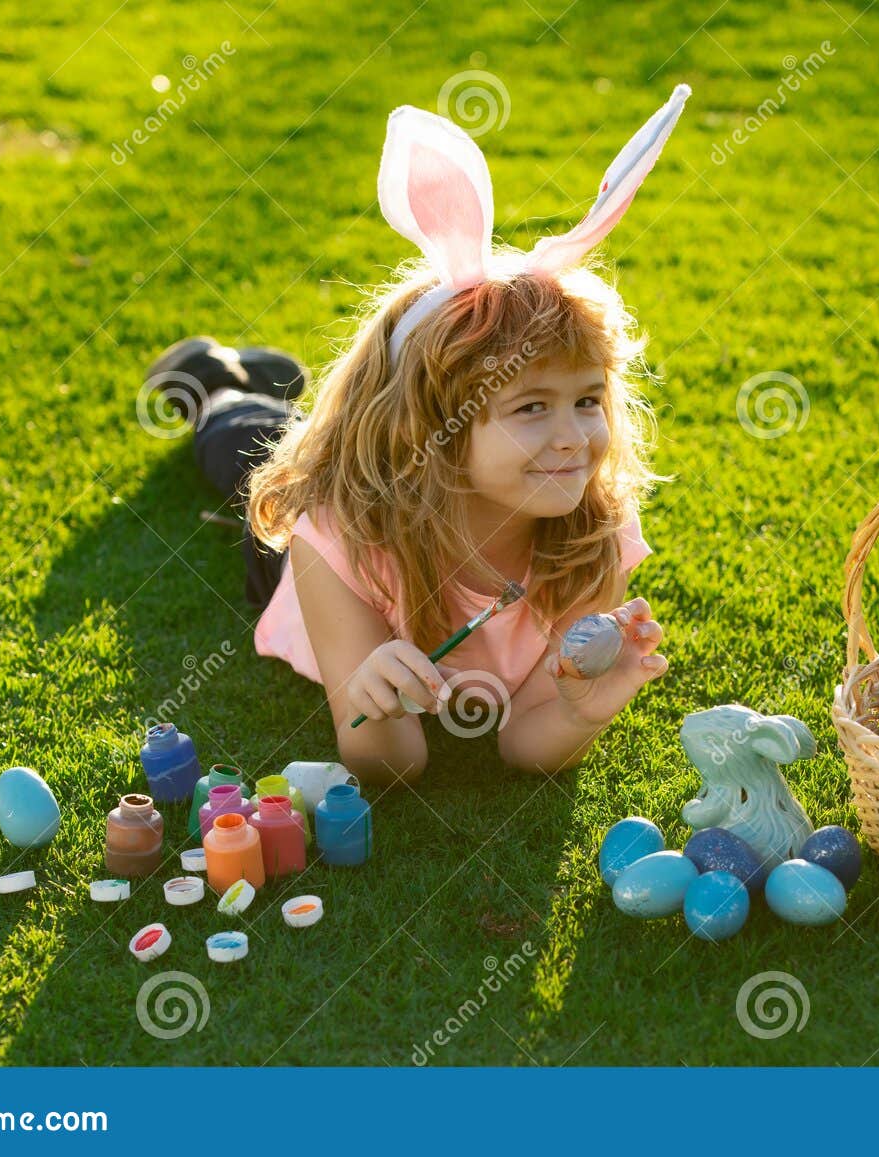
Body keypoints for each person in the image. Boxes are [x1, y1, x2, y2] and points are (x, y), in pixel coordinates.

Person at [143, 84, 693, 791]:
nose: (574, 436)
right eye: (531, 408)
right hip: (330, 542)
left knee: (290, 430)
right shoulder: (338, 535)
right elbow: (393, 764)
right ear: (428, 428)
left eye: (587, 399)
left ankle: (264, 383)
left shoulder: (592, 526)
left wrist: (579, 711)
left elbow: (526, 743)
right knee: (256, 450)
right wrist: (369, 700)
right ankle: (216, 382)